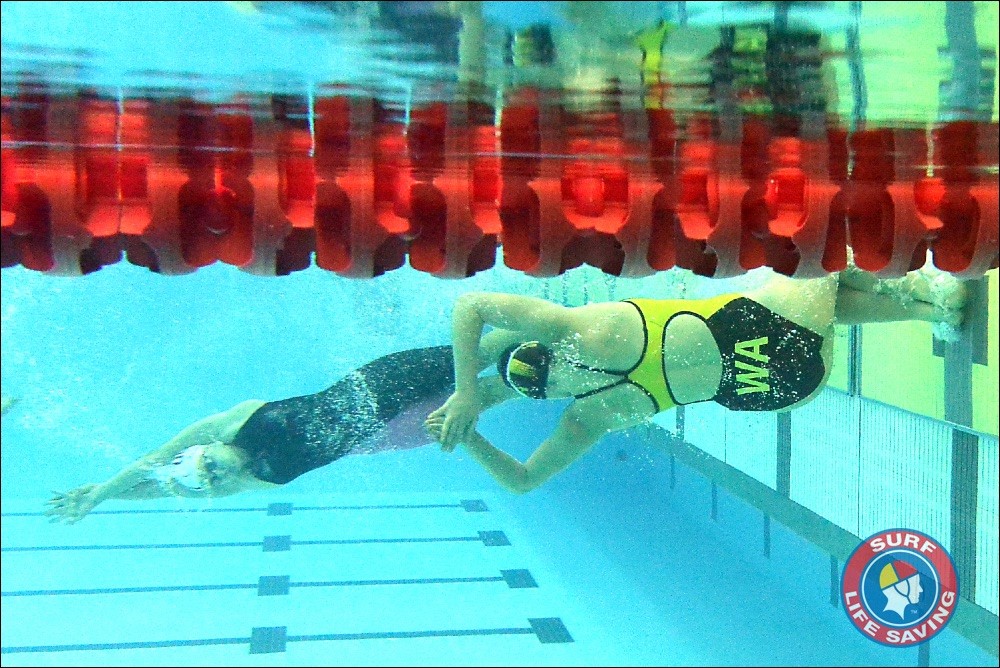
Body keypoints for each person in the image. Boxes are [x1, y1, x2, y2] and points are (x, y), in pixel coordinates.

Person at [46, 260, 970, 522]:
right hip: (766, 344)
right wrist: (463, 418)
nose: (210, 476)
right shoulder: (586, 337)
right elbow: (488, 320)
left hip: (776, 386)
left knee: (806, 300)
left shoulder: (591, 406)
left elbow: (177, 447)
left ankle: (917, 300)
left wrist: (463, 411)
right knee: (801, 269)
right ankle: (912, 287)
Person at [423, 262, 972, 494]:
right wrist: (468, 392)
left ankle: (930, 313)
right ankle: (925, 289)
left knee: (818, 309)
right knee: (822, 253)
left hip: (778, 388)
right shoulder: (580, 329)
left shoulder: (587, 417)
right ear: (544, 348)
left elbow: (521, 481)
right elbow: (472, 303)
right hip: (762, 329)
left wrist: (468, 436)